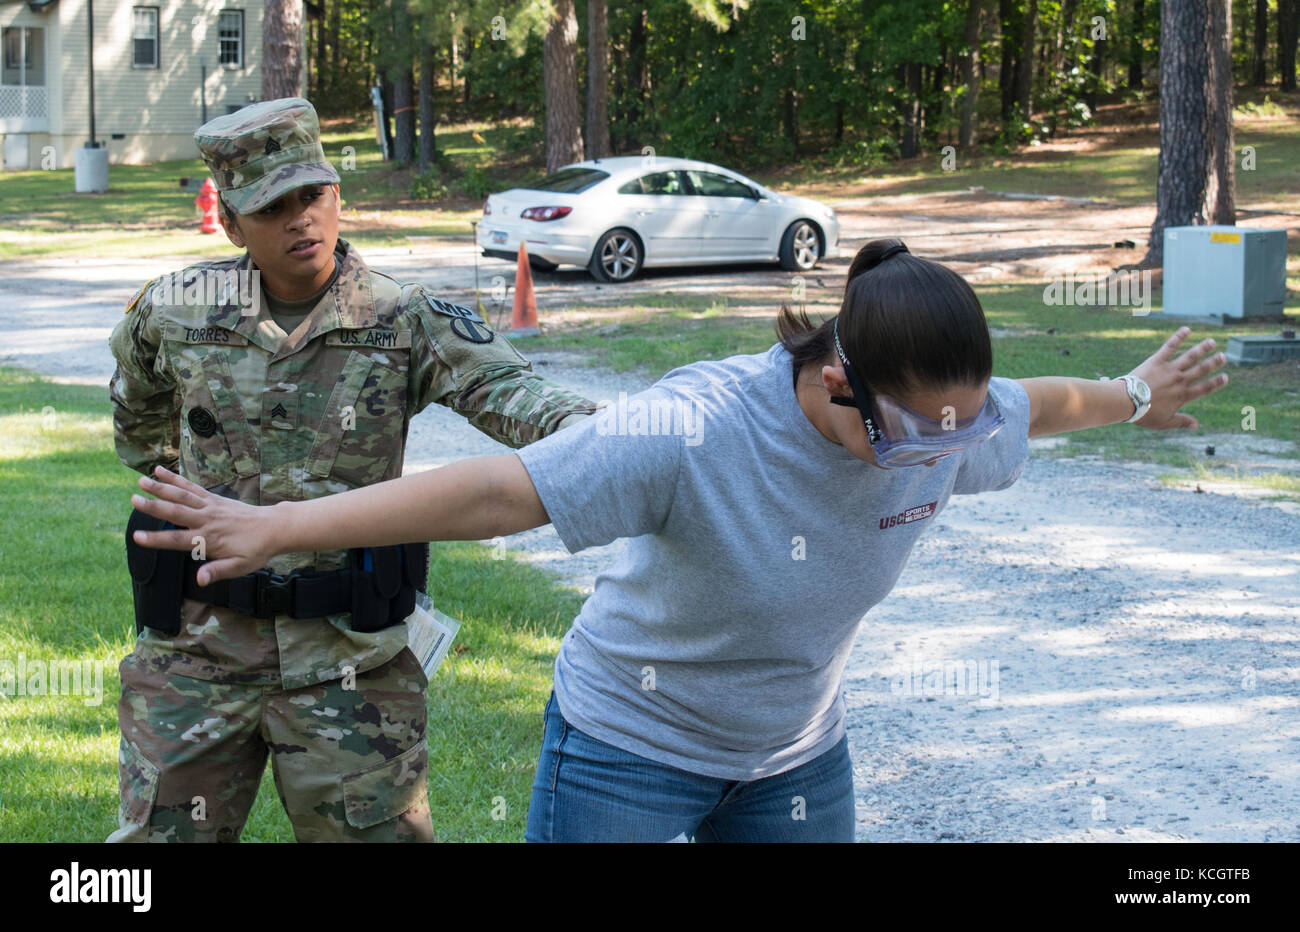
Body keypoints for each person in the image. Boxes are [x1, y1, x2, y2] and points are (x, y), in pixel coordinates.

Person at [127, 238, 1230, 843]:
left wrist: (1135, 392)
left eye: (955, 433)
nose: (935, 460)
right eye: (904, 436)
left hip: (795, 753)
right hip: (630, 746)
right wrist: (276, 523)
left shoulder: (944, 428)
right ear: (837, 378)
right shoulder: (694, 425)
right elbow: (491, 493)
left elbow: (1043, 403)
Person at [107, 97, 597, 843]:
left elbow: (516, 397)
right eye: (274, 206)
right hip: (197, 654)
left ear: (338, 197)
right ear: (232, 224)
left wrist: (627, 434)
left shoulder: (403, 320)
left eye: (313, 196)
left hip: (351, 663)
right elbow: (139, 418)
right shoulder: (177, 312)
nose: (301, 219)